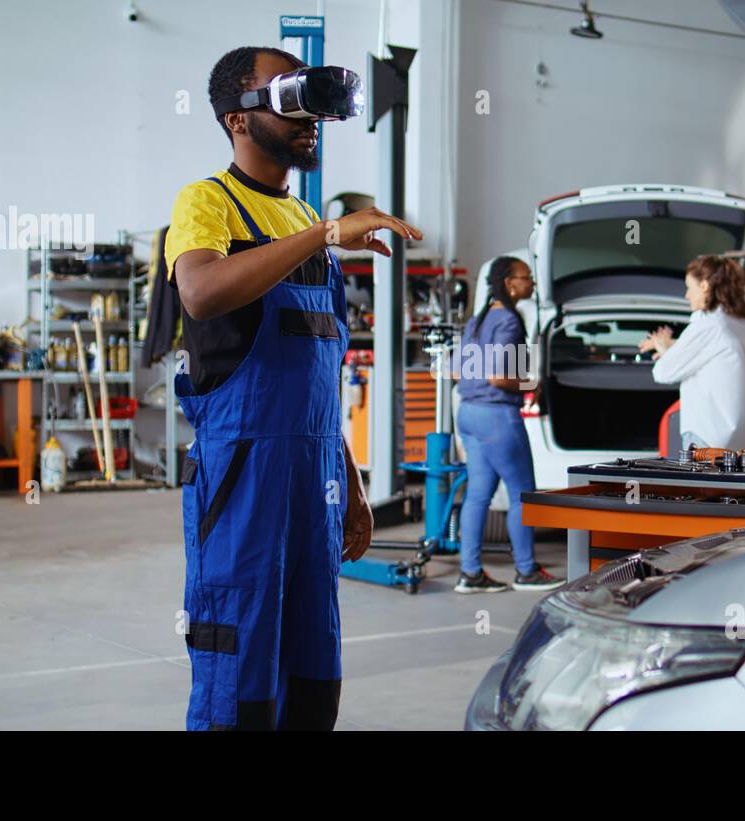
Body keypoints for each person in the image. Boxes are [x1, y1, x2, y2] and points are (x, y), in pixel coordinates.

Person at [165, 46, 422, 731]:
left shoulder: (302, 219)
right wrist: (326, 234)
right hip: (243, 476)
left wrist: (352, 481)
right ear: (237, 120)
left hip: (313, 479)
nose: (308, 117)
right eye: (287, 98)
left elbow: (316, 378)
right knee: (240, 665)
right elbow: (200, 289)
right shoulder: (207, 202)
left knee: (312, 669)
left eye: (311, 100)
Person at [453, 256, 565, 594]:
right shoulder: (510, 323)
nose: (531, 282)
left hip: (469, 413)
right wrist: (532, 384)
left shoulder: (476, 321)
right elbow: (500, 378)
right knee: (522, 495)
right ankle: (527, 571)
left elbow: (460, 372)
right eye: (526, 277)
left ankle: (470, 574)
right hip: (496, 417)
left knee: (477, 496)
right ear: (509, 283)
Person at [639, 255, 745, 450]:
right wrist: (669, 349)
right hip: (734, 437)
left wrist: (664, 349)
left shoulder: (708, 325)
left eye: (689, 287)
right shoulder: (739, 323)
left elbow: (663, 373)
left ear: (704, 286)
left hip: (707, 436)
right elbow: (705, 354)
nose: (686, 295)